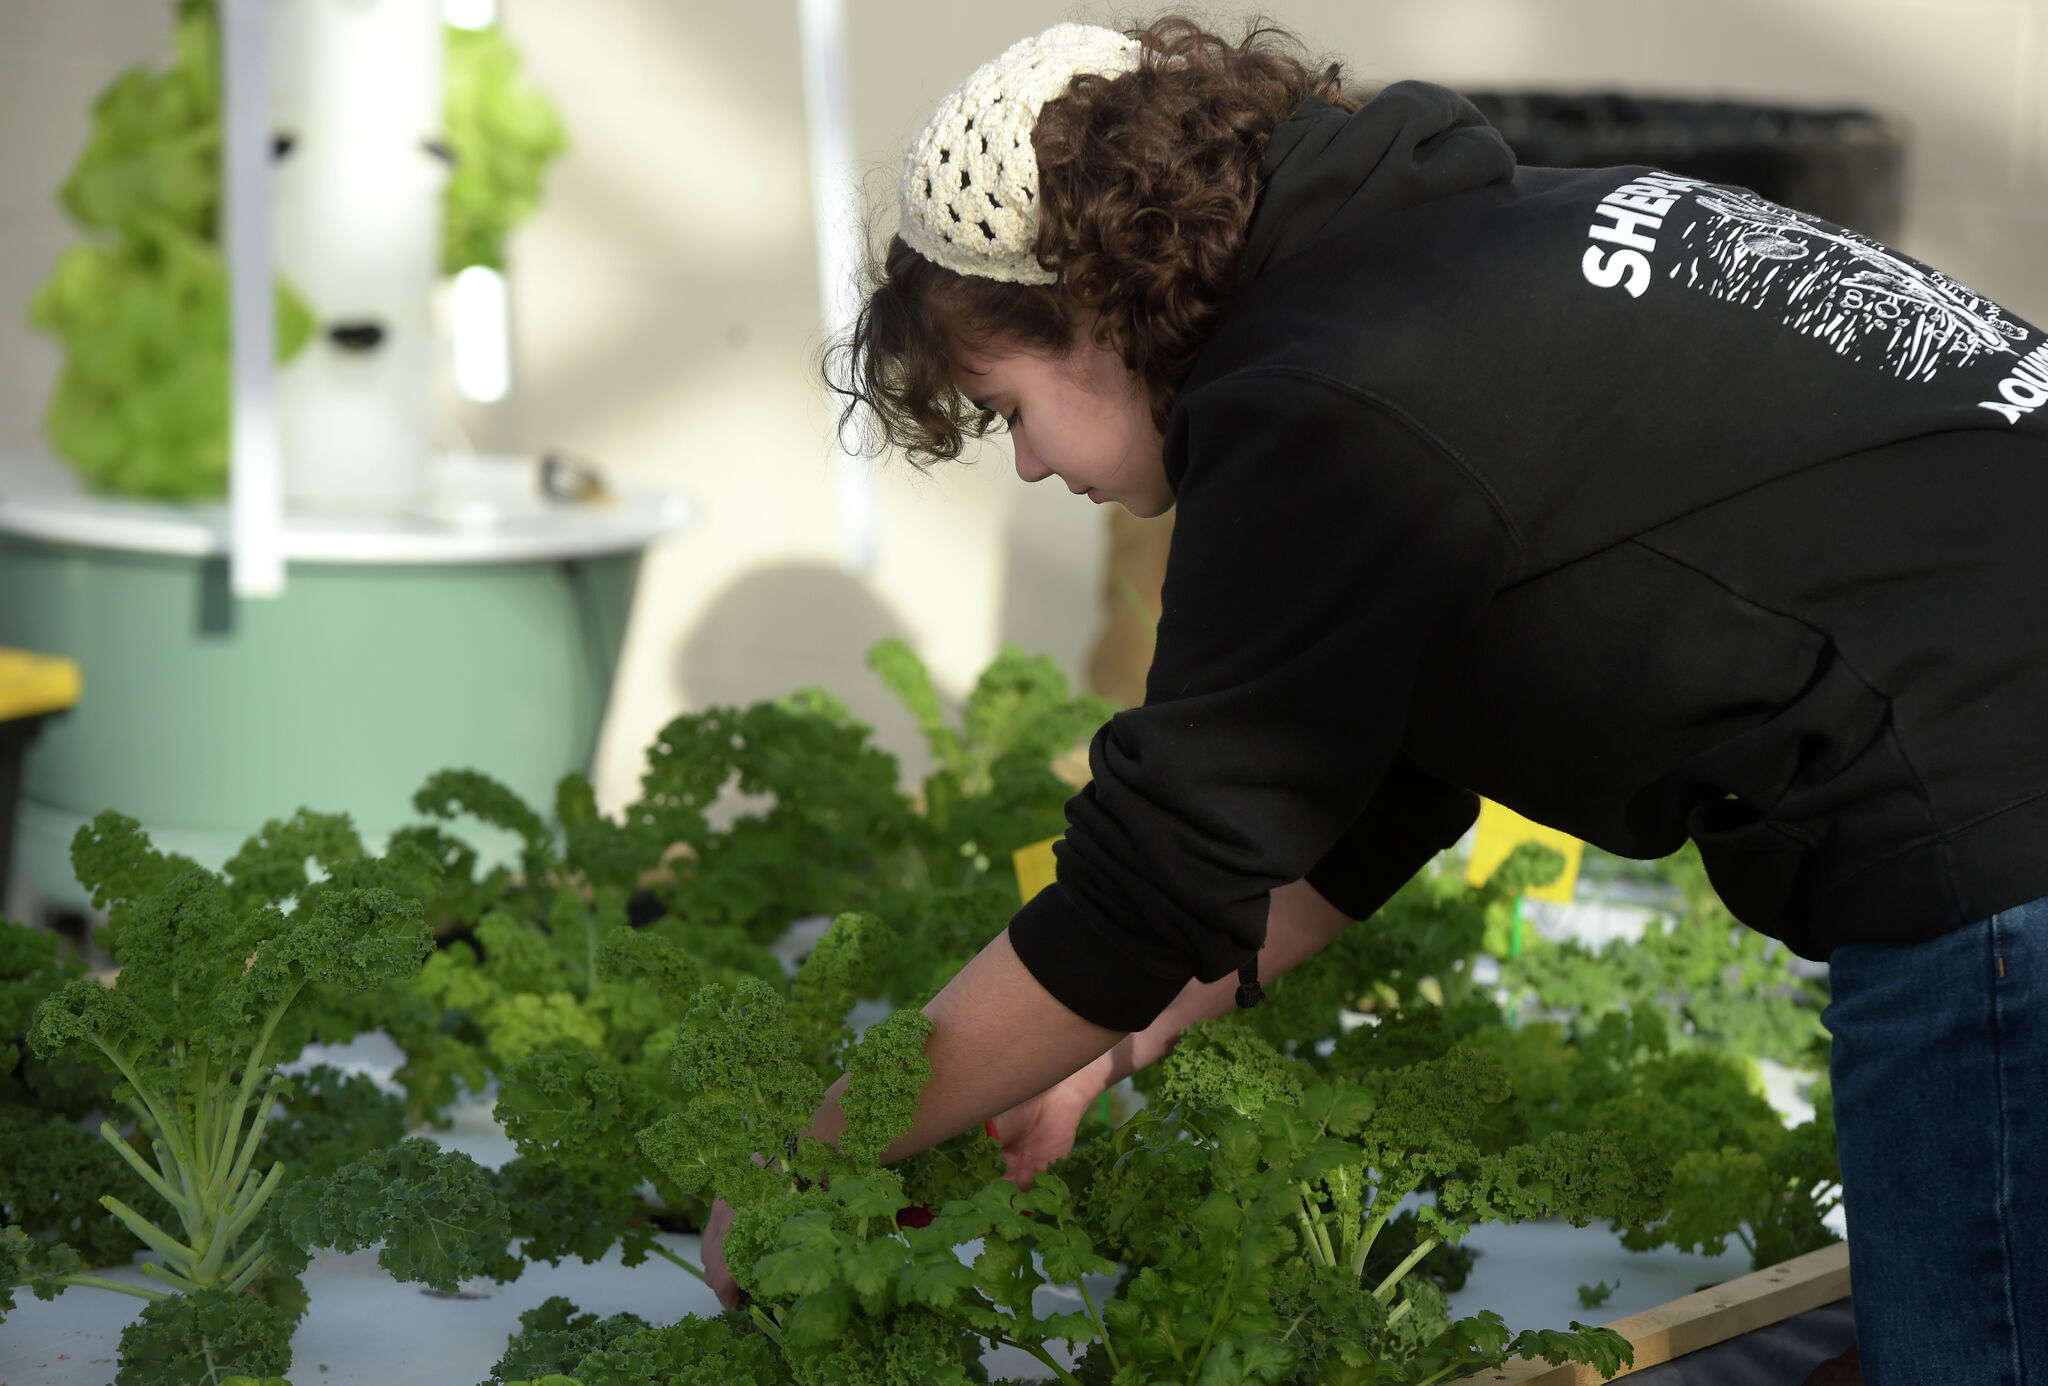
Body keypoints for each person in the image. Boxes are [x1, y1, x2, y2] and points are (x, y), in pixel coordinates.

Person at [706, 17, 2048, 1384]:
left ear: (1100, 303)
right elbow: (1364, 782)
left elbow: (1151, 877)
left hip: (2001, 802)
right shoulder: (1441, 264)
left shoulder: (1322, 391)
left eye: (1006, 410)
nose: (1034, 467)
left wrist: (815, 1150)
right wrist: (1098, 1037)